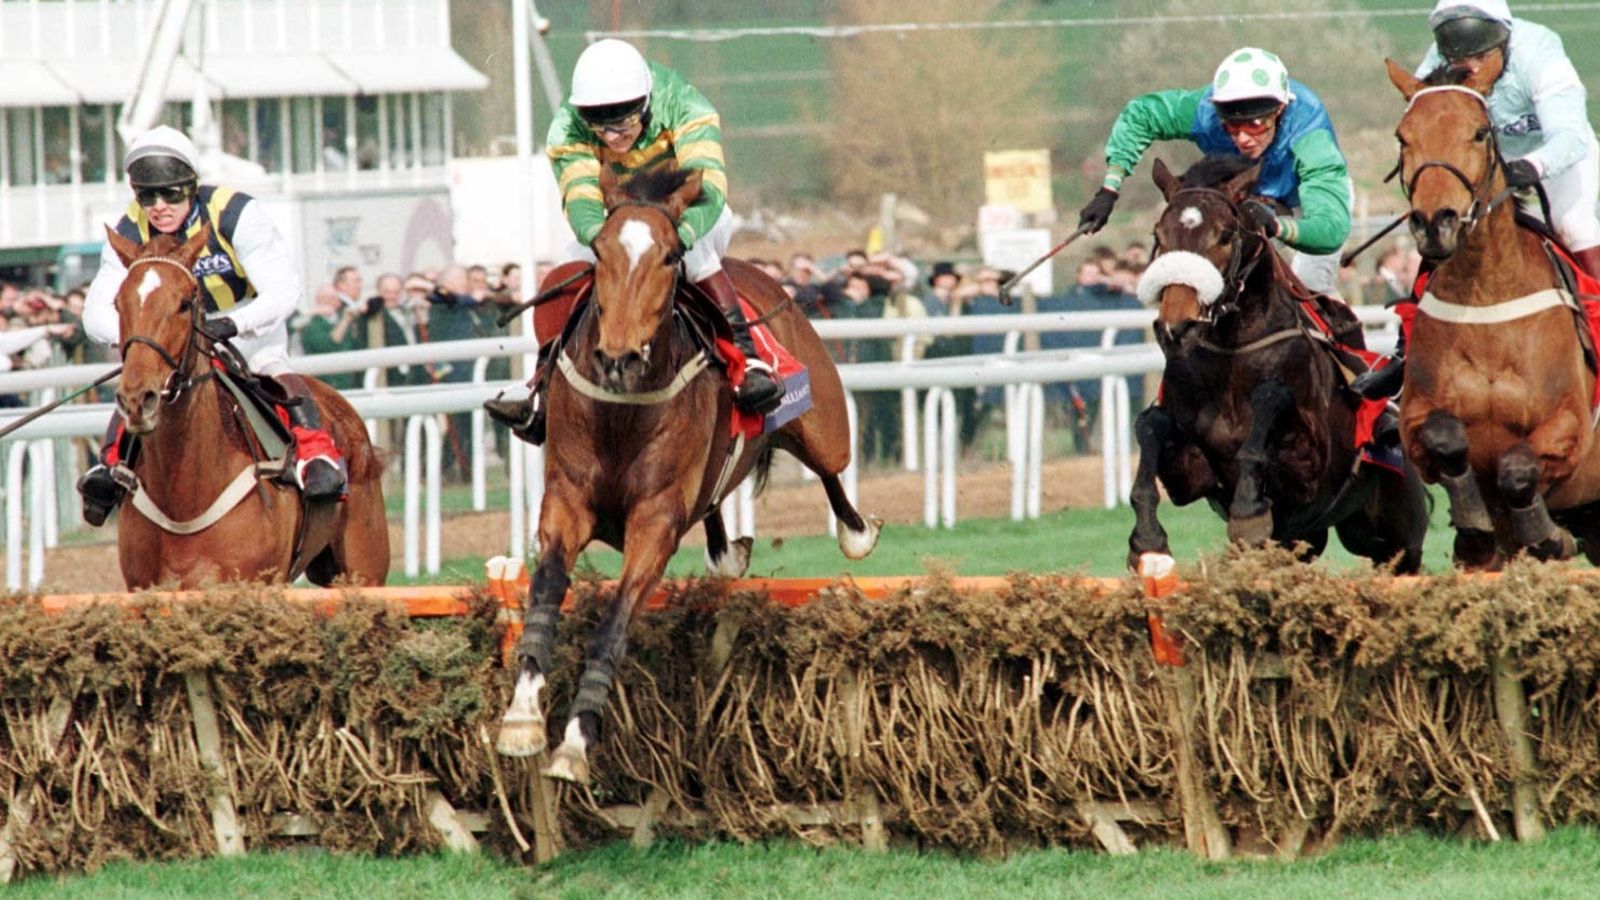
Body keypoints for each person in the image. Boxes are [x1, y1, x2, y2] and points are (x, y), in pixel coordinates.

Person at [485, 38, 781, 442]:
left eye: (623, 123)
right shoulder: (567, 126)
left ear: (645, 104)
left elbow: (707, 185)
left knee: (696, 258)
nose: (612, 135)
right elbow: (581, 200)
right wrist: (605, 243)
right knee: (567, 271)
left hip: (688, 213)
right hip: (618, 224)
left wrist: (675, 237)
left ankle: (749, 360)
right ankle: (542, 382)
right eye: (600, 126)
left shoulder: (687, 105)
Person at [76, 126, 345, 527]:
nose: (159, 206)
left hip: (247, 323)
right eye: (147, 195)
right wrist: (144, 336)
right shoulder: (129, 229)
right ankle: (110, 464)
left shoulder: (235, 213)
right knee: (142, 383)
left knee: (273, 368)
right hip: (173, 336)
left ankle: (315, 456)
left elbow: (285, 290)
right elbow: (95, 312)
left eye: (171, 193)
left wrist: (232, 324)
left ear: (192, 187)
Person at [1355, 0, 1600, 399]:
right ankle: (1406, 353)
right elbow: (1424, 120)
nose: (1467, 67)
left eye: (1480, 57)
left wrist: (1533, 165)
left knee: (1576, 227)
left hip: (1556, 155)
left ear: (1503, 40)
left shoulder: (1539, 52)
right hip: (1484, 163)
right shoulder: (1439, 59)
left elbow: (1570, 136)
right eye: (1457, 58)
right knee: (1441, 235)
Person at [1078, 47, 1353, 299]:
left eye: (1255, 125)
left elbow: (1330, 229)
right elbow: (1141, 115)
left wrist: (1276, 227)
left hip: (1310, 203)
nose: (1243, 138)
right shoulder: (1205, 112)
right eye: (1232, 126)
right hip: (1254, 199)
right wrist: (1110, 188)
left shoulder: (1310, 134)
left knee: (1308, 283)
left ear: (1280, 109)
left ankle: (1344, 346)